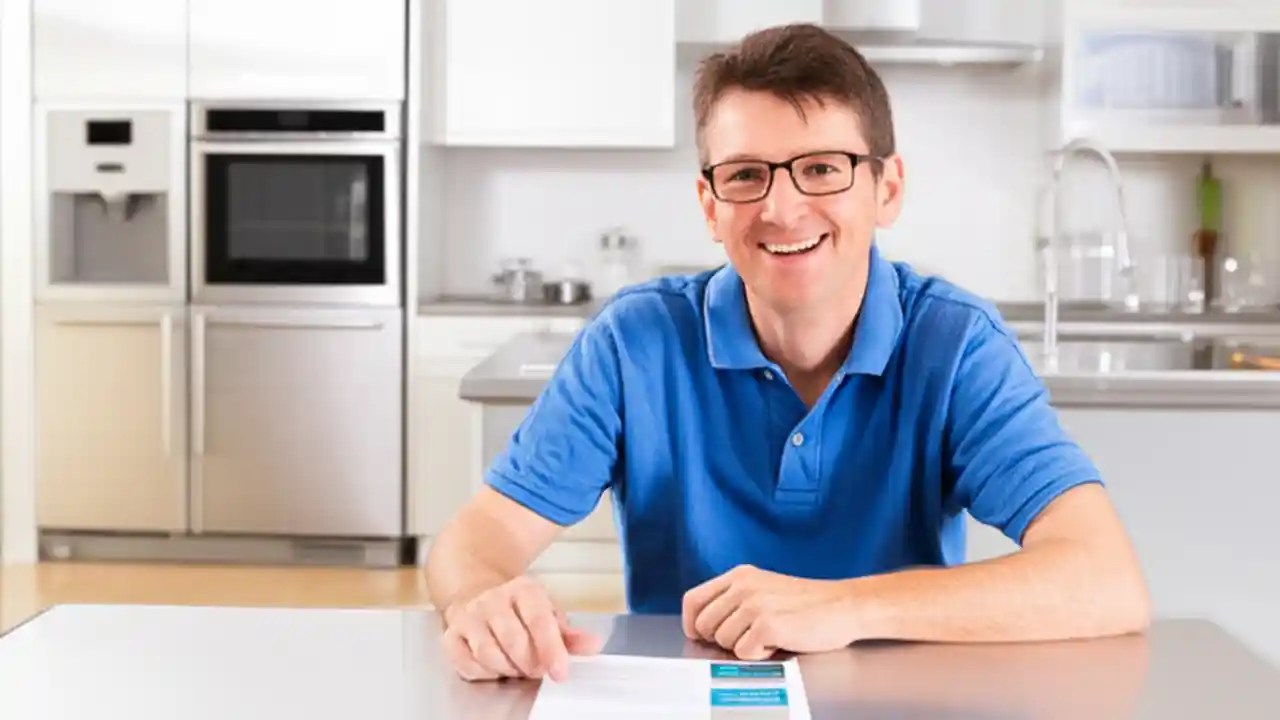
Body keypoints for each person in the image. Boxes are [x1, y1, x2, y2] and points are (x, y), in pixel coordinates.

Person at [425, 23, 1150, 683]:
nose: (781, 207)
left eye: (823, 168)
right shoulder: (634, 342)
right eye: (746, 174)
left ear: (885, 188)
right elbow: (477, 537)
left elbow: (1104, 579)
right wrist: (483, 600)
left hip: (902, 702)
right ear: (710, 206)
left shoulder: (956, 345)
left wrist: (846, 608)